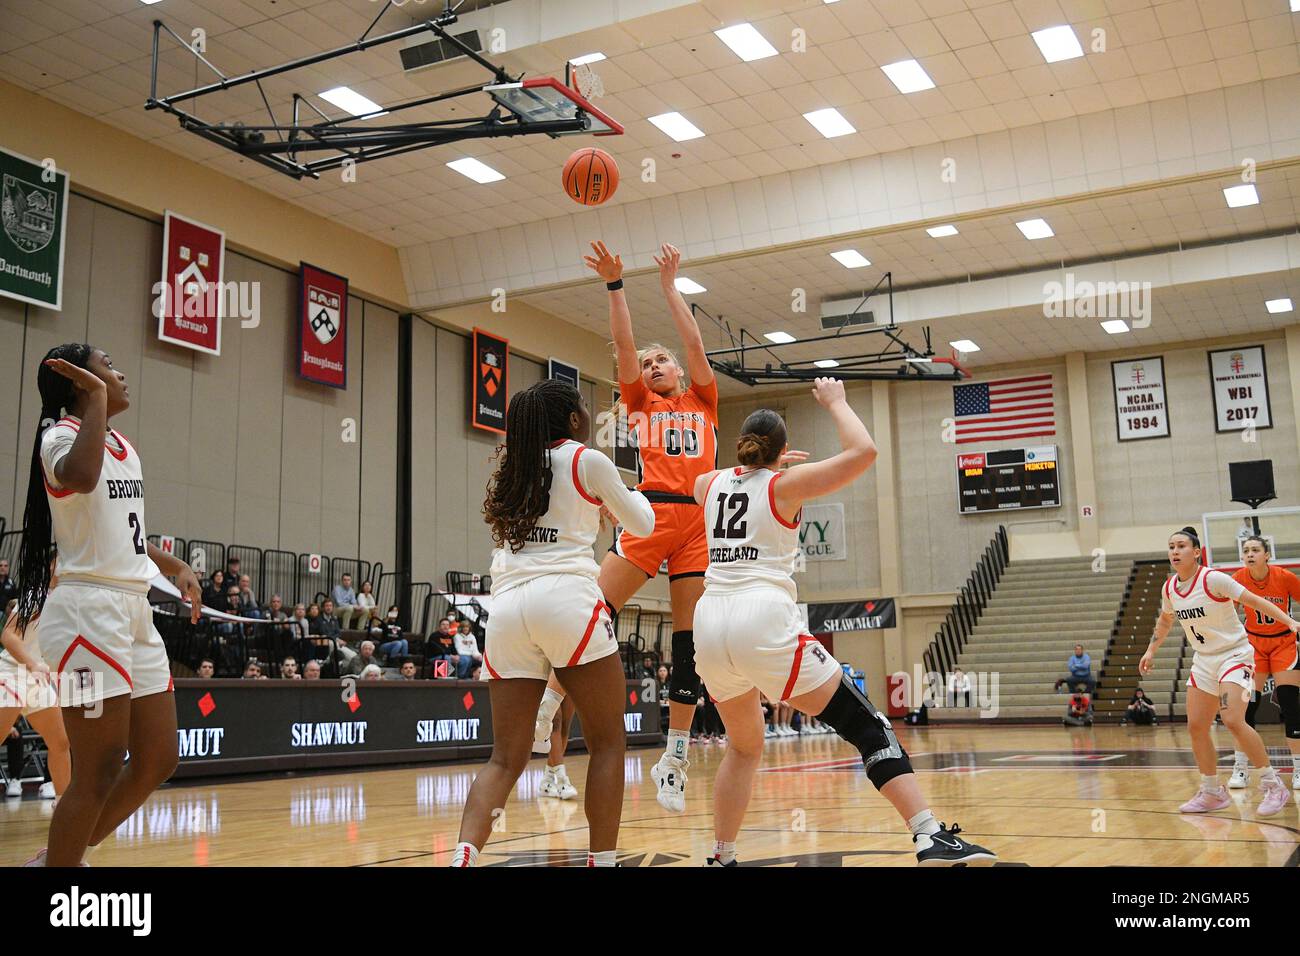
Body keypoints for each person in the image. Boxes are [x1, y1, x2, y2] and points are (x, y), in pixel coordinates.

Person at [691, 378, 996, 866]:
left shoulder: (709, 484)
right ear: (784, 451)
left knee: (744, 749)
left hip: (708, 623)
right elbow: (863, 450)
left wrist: (761, 468)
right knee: (868, 724)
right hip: (761, 616)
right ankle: (929, 835)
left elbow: (712, 481)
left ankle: (721, 856)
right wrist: (836, 402)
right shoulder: (786, 486)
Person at [533, 241, 725, 816]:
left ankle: (674, 757)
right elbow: (621, 342)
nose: (652, 366)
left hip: (696, 523)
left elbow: (692, 342)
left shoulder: (705, 399)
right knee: (593, 615)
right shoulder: (640, 402)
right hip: (649, 514)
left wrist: (670, 286)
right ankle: (547, 706)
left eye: (658, 361)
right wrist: (616, 286)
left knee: (688, 649)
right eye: (646, 364)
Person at [451, 379, 654, 868]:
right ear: (572, 420)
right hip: (565, 599)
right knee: (607, 742)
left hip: (505, 609)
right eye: (583, 407)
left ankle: (462, 856)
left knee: (504, 758)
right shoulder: (586, 459)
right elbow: (643, 525)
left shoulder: (513, 468)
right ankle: (601, 861)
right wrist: (619, 497)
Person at [14, 344, 203, 867]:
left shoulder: (122, 445)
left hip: (133, 608)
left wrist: (173, 566)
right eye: (106, 367)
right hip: (86, 616)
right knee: (95, 770)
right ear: (80, 382)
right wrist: (94, 400)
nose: (119, 373)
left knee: (158, 758)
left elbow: (126, 532)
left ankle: (59, 856)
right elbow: (80, 478)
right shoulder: (59, 439)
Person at [1139, 526, 1294, 816]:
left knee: (1233, 719)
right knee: (1196, 726)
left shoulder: (1214, 579)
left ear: (1196, 552)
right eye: (1171, 546)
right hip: (1204, 660)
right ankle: (1211, 791)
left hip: (1235, 656)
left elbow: (1255, 601)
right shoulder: (1170, 587)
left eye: (1181, 546)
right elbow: (1164, 620)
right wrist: (1151, 650)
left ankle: (1273, 785)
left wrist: (1290, 622)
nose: (1175, 551)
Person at [1228, 535, 1300, 790]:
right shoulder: (1237, 579)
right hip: (1254, 646)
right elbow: (1226, 612)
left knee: (1291, 707)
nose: (1250, 554)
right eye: (1246, 550)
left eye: (1255, 550)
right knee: (1246, 711)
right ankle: (1240, 768)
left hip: (1284, 644)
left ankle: (1298, 768)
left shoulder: (1285, 577)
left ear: (1266, 555)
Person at [2, 586, 70, 802]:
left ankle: (63, 807)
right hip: (13, 671)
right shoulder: (37, 594)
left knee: (60, 742)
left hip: (36, 677)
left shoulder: (71, 599)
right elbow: (8, 635)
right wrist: (32, 664)